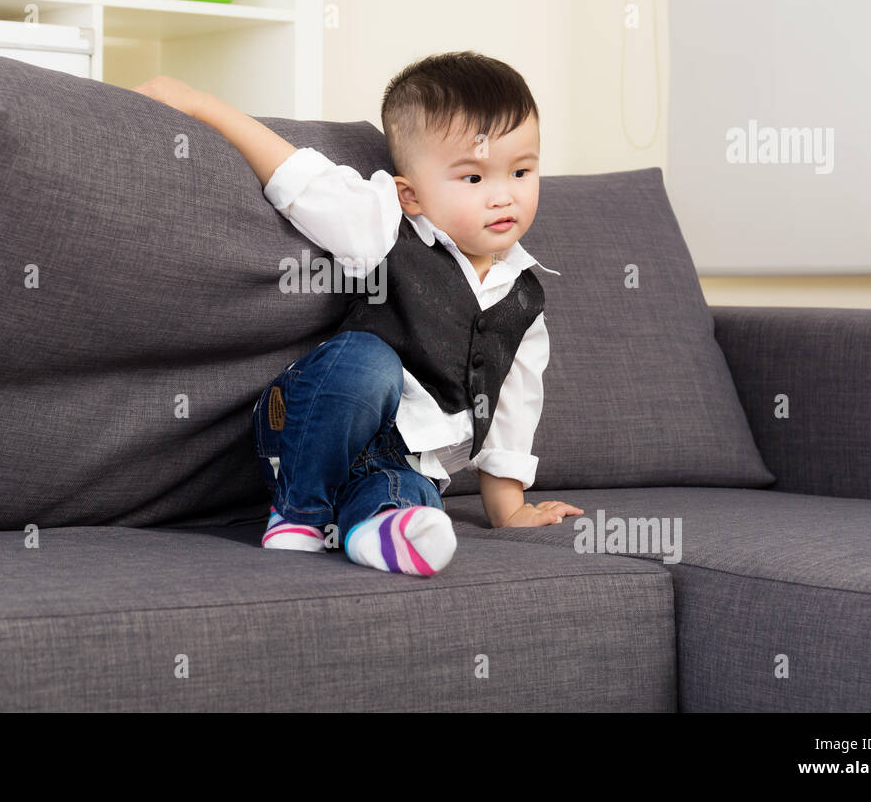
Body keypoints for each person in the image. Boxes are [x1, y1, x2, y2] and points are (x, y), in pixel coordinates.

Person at [135, 50, 582, 576]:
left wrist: (510, 513)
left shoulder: (525, 301)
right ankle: (298, 512)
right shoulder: (387, 223)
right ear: (410, 194)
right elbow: (303, 180)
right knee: (371, 362)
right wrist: (200, 104)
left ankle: (378, 534)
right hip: (310, 423)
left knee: (414, 495)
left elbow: (511, 410)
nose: (504, 196)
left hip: (402, 460)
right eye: (474, 179)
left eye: (521, 170)